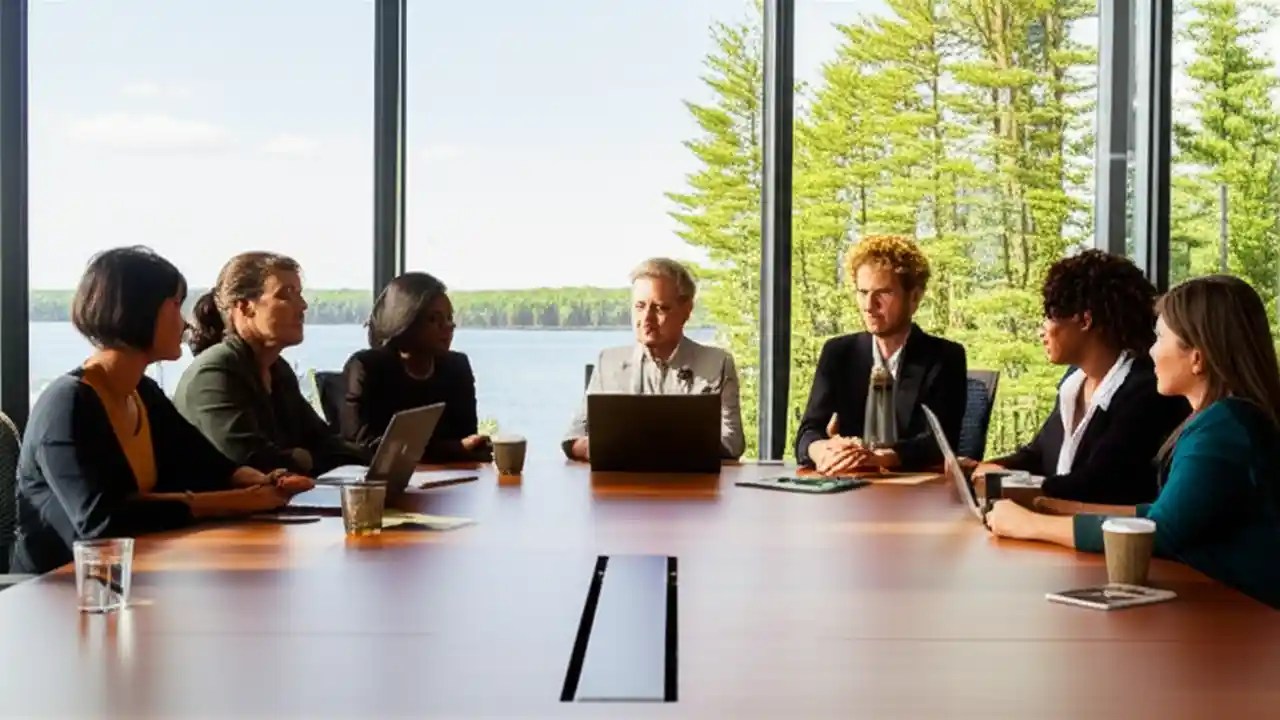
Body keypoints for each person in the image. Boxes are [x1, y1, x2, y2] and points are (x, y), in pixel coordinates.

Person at [11, 247, 314, 575]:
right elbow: (104, 521)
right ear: (139, 310)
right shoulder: (67, 405)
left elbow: (208, 465)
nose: (185, 323)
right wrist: (243, 500)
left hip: (135, 579)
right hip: (56, 594)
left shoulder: (143, 392)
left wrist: (265, 481)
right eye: (174, 305)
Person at [987, 275, 1280, 609]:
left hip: (1251, 620)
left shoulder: (1223, 429)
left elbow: (1160, 532)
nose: (1151, 351)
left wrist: (1030, 525)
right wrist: (1064, 507)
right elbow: (1170, 512)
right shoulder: (1225, 420)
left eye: (1159, 338)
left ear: (1197, 358)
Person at [970, 251, 1189, 503]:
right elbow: (1039, 454)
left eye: (1050, 317)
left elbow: (1098, 483)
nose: (1042, 330)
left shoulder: (1146, 390)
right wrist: (988, 467)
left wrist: (1006, 486)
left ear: (1085, 320)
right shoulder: (1074, 381)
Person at [174, 252, 368, 476]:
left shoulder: (278, 369)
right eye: (286, 294)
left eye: (299, 294)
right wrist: (301, 457)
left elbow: (324, 442)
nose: (303, 306)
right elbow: (251, 460)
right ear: (245, 307)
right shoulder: (215, 372)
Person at [795, 235, 967, 474]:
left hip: (913, 497)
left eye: (882, 293)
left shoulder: (944, 357)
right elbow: (808, 432)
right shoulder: (838, 353)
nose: (868, 305)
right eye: (862, 292)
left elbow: (939, 443)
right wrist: (822, 449)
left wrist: (879, 458)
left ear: (915, 297)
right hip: (846, 491)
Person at [562, 257, 745, 461]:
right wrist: (599, 448)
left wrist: (653, 448)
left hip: (691, 488)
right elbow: (573, 437)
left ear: (687, 311)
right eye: (640, 306)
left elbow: (732, 443)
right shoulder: (609, 362)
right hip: (621, 487)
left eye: (659, 308)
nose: (646, 319)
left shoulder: (716, 364)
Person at [340, 272, 490, 462]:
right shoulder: (367, 368)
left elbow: (467, 437)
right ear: (406, 321)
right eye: (434, 319)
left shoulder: (456, 367)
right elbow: (363, 446)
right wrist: (453, 449)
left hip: (449, 482)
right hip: (379, 487)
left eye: (449, 318)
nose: (448, 326)